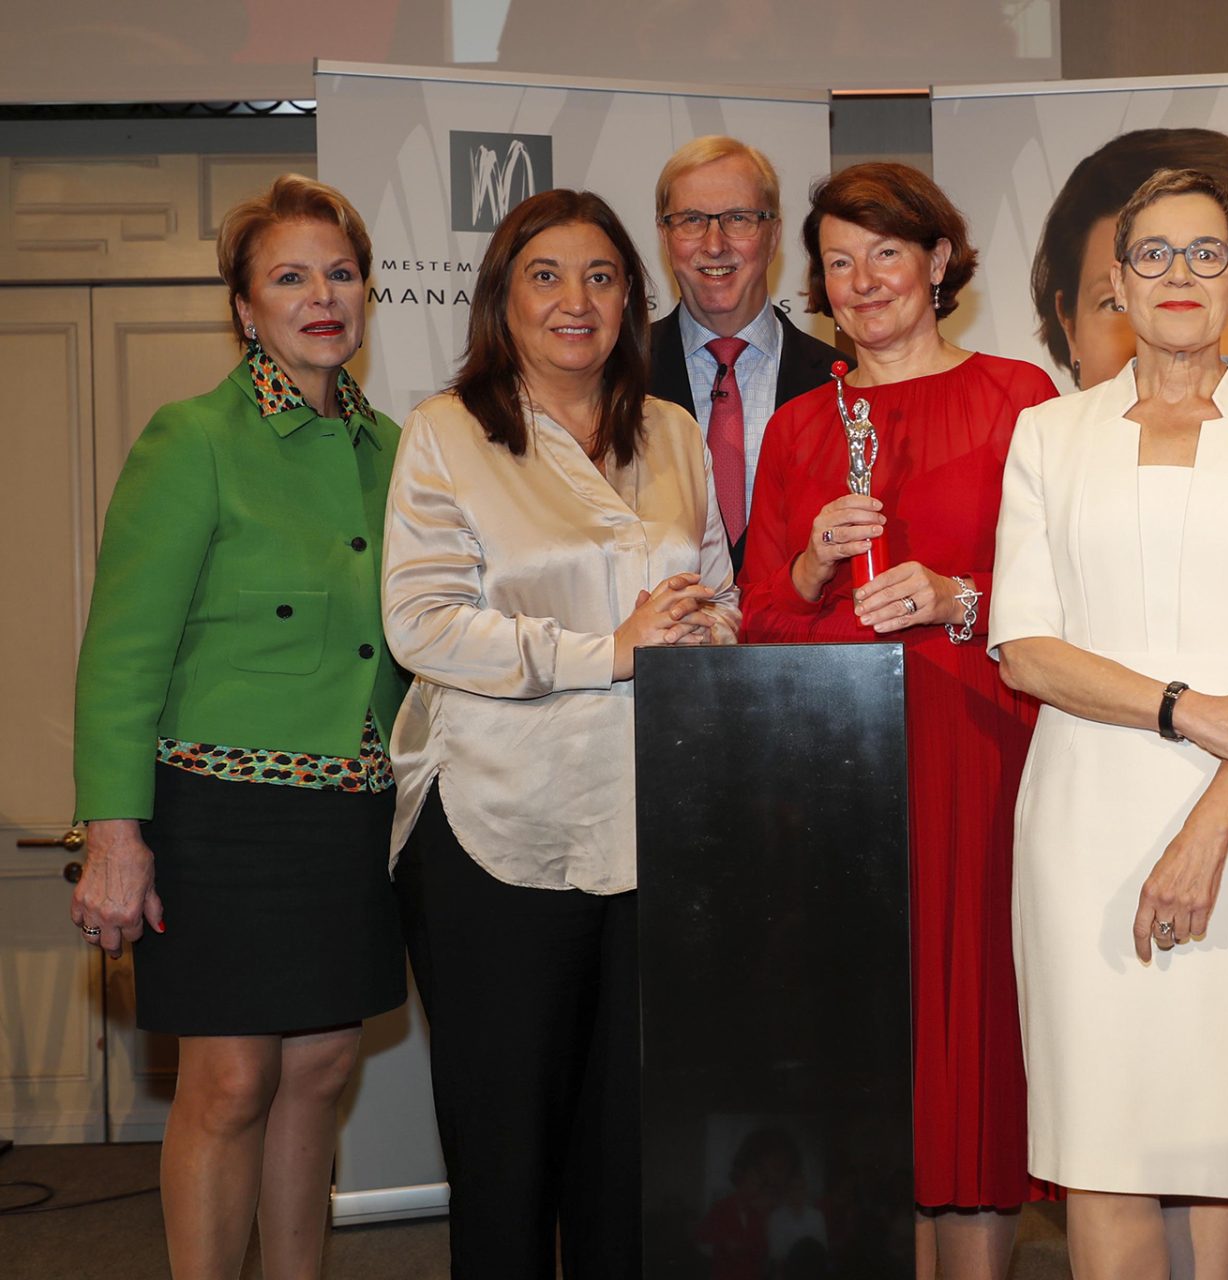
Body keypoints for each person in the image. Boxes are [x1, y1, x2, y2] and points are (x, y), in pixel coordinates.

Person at [990, 167, 1228, 1280]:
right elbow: (1026, 646)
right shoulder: (1049, 435)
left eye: (1206, 254)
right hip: (1084, 821)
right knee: (1105, 1139)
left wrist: (1206, 830)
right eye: (1154, 253)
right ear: (1116, 280)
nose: (1181, 275)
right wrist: (1186, 710)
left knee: (1218, 1142)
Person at [382, 188, 739, 1279]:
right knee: (506, 1157)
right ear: (503, 296)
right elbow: (423, 621)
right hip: (498, 828)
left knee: (630, 1155)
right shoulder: (450, 431)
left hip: (647, 830)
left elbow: (718, 592)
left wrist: (700, 625)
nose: (575, 299)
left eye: (600, 275)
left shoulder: (672, 431)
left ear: (633, 294)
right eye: (545, 275)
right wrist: (613, 649)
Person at [68, 174, 407, 1280]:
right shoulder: (194, 438)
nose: (323, 296)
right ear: (245, 307)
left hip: (350, 814)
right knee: (231, 1080)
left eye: (342, 272)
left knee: (318, 1072)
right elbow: (123, 650)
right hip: (221, 817)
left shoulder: (395, 451)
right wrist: (114, 832)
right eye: (290, 276)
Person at [740, 161, 1057, 1280]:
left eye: (886, 251)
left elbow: (1069, 596)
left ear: (937, 261)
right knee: (863, 1052)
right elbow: (762, 621)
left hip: (982, 754)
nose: (864, 279)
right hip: (839, 780)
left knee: (974, 1040)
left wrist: (957, 595)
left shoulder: (1024, 401)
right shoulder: (794, 433)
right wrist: (814, 556)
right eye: (838, 260)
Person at [650, 135, 847, 568]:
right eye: (691, 220)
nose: (715, 243)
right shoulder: (616, 375)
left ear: (774, 235)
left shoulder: (845, 382)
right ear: (664, 238)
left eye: (738, 219)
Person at [1030, 126, 1228, 391]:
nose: (1176, 283)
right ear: (1069, 328)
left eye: (1206, 262)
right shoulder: (1045, 436)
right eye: (1114, 303)